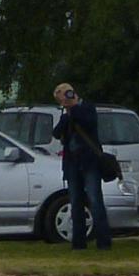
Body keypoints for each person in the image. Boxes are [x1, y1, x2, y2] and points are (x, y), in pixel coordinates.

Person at [49, 82, 112, 250]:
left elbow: (89, 123)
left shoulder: (87, 108)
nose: (63, 103)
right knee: (75, 202)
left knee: (95, 200)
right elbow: (56, 133)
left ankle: (103, 241)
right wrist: (67, 115)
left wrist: (74, 107)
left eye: (63, 99)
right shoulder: (67, 115)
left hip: (90, 163)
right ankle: (78, 243)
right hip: (72, 164)